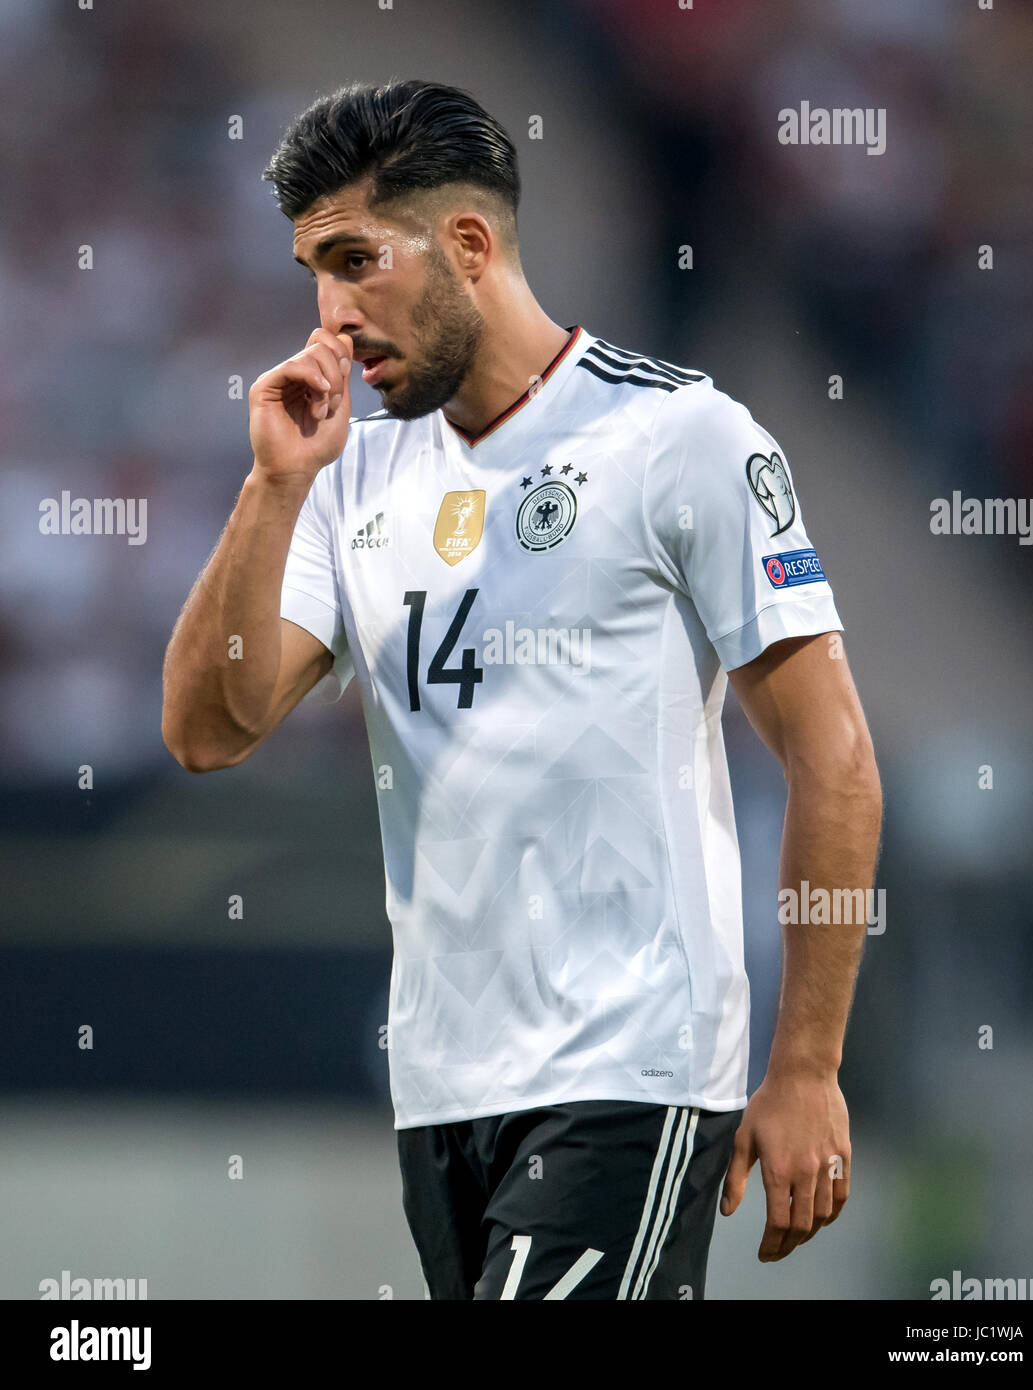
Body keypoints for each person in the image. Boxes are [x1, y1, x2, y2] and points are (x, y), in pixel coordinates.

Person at [161, 79, 883, 1300]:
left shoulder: (680, 440)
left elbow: (832, 755)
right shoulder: (350, 473)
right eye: (310, 273)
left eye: (353, 262)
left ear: (468, 244)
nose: (329, 318)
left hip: (629, 1069)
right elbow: (207, 728)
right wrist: (272, 489)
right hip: (445, 1083)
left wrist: (804, 1062)